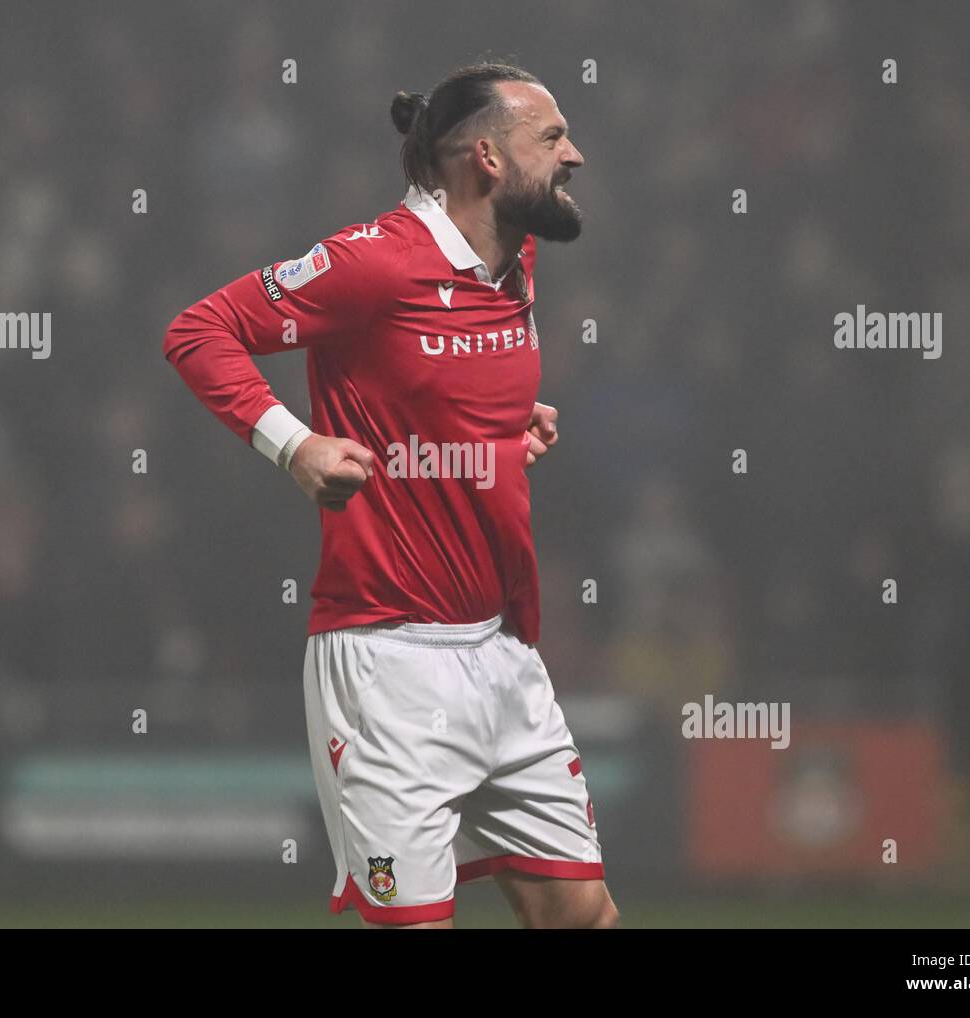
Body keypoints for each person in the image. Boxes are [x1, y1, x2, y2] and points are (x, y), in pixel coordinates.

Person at [163, 61, 618, 929]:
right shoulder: (371, 264)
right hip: (389, 667)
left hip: (505, 658)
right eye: (553, 138)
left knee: (582, 918)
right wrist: (292, 444)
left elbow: (436, 386)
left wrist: (499, 429)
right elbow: (200, 331)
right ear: (486, 157)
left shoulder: (513, 256)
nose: (576, 155)